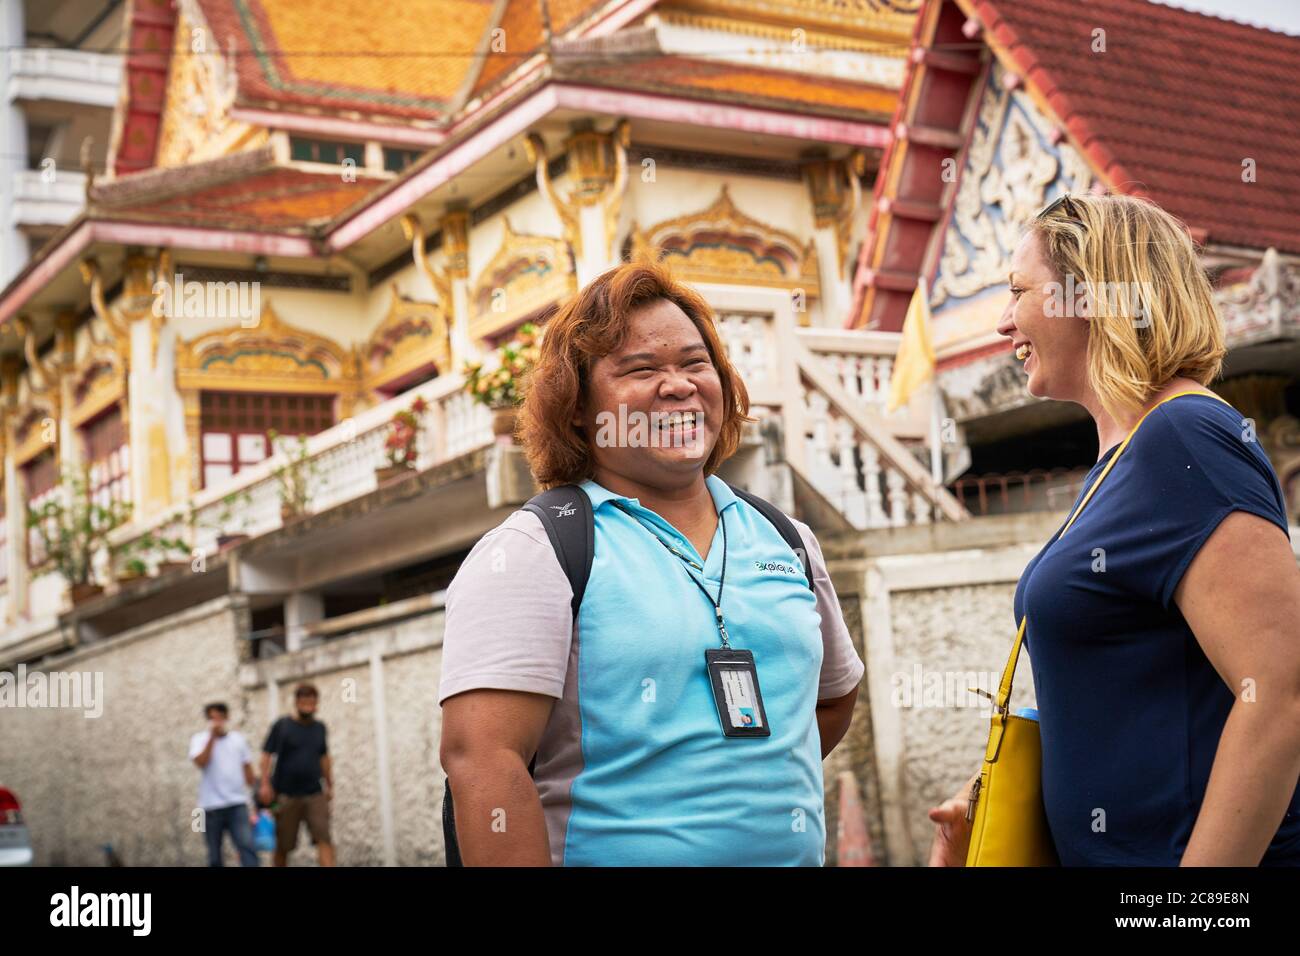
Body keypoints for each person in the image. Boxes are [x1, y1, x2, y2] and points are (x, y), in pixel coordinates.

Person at [438, 259, 865, 866]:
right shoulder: (535, 551)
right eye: (641, 369)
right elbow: (482, 759)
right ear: (578, 407)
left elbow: (831, 700)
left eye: (696, 363)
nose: (679, 386)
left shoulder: (786, 538)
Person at [929, 192, 1300, 866]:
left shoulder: (1188, 437)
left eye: (1018, 292)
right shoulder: (1122, 458)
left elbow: (1280, 693)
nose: (1003, 323)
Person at [259, 683, 334, 867]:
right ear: (297, 702)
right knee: (283, 846)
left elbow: (324, 757)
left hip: (314, 793)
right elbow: (266, 756)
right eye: (304, 701)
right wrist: (265, 784)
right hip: (285, 795)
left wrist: (330, 784)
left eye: (312, 702)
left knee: (324, 839)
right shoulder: (282, 726)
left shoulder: (319, 728)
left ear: (317, 704)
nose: (308, 705)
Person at [188, 702, 258, 867]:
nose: (217, 722)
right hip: (209, 807)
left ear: (227, 718)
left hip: (237, 804)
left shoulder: (238, 740)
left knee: (247, 847)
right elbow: (201, 762)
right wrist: (212, 738)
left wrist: (257, 799)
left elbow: (248, 771)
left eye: (220, 718)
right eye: (212, 718)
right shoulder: (199, 740)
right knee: (214, 855)